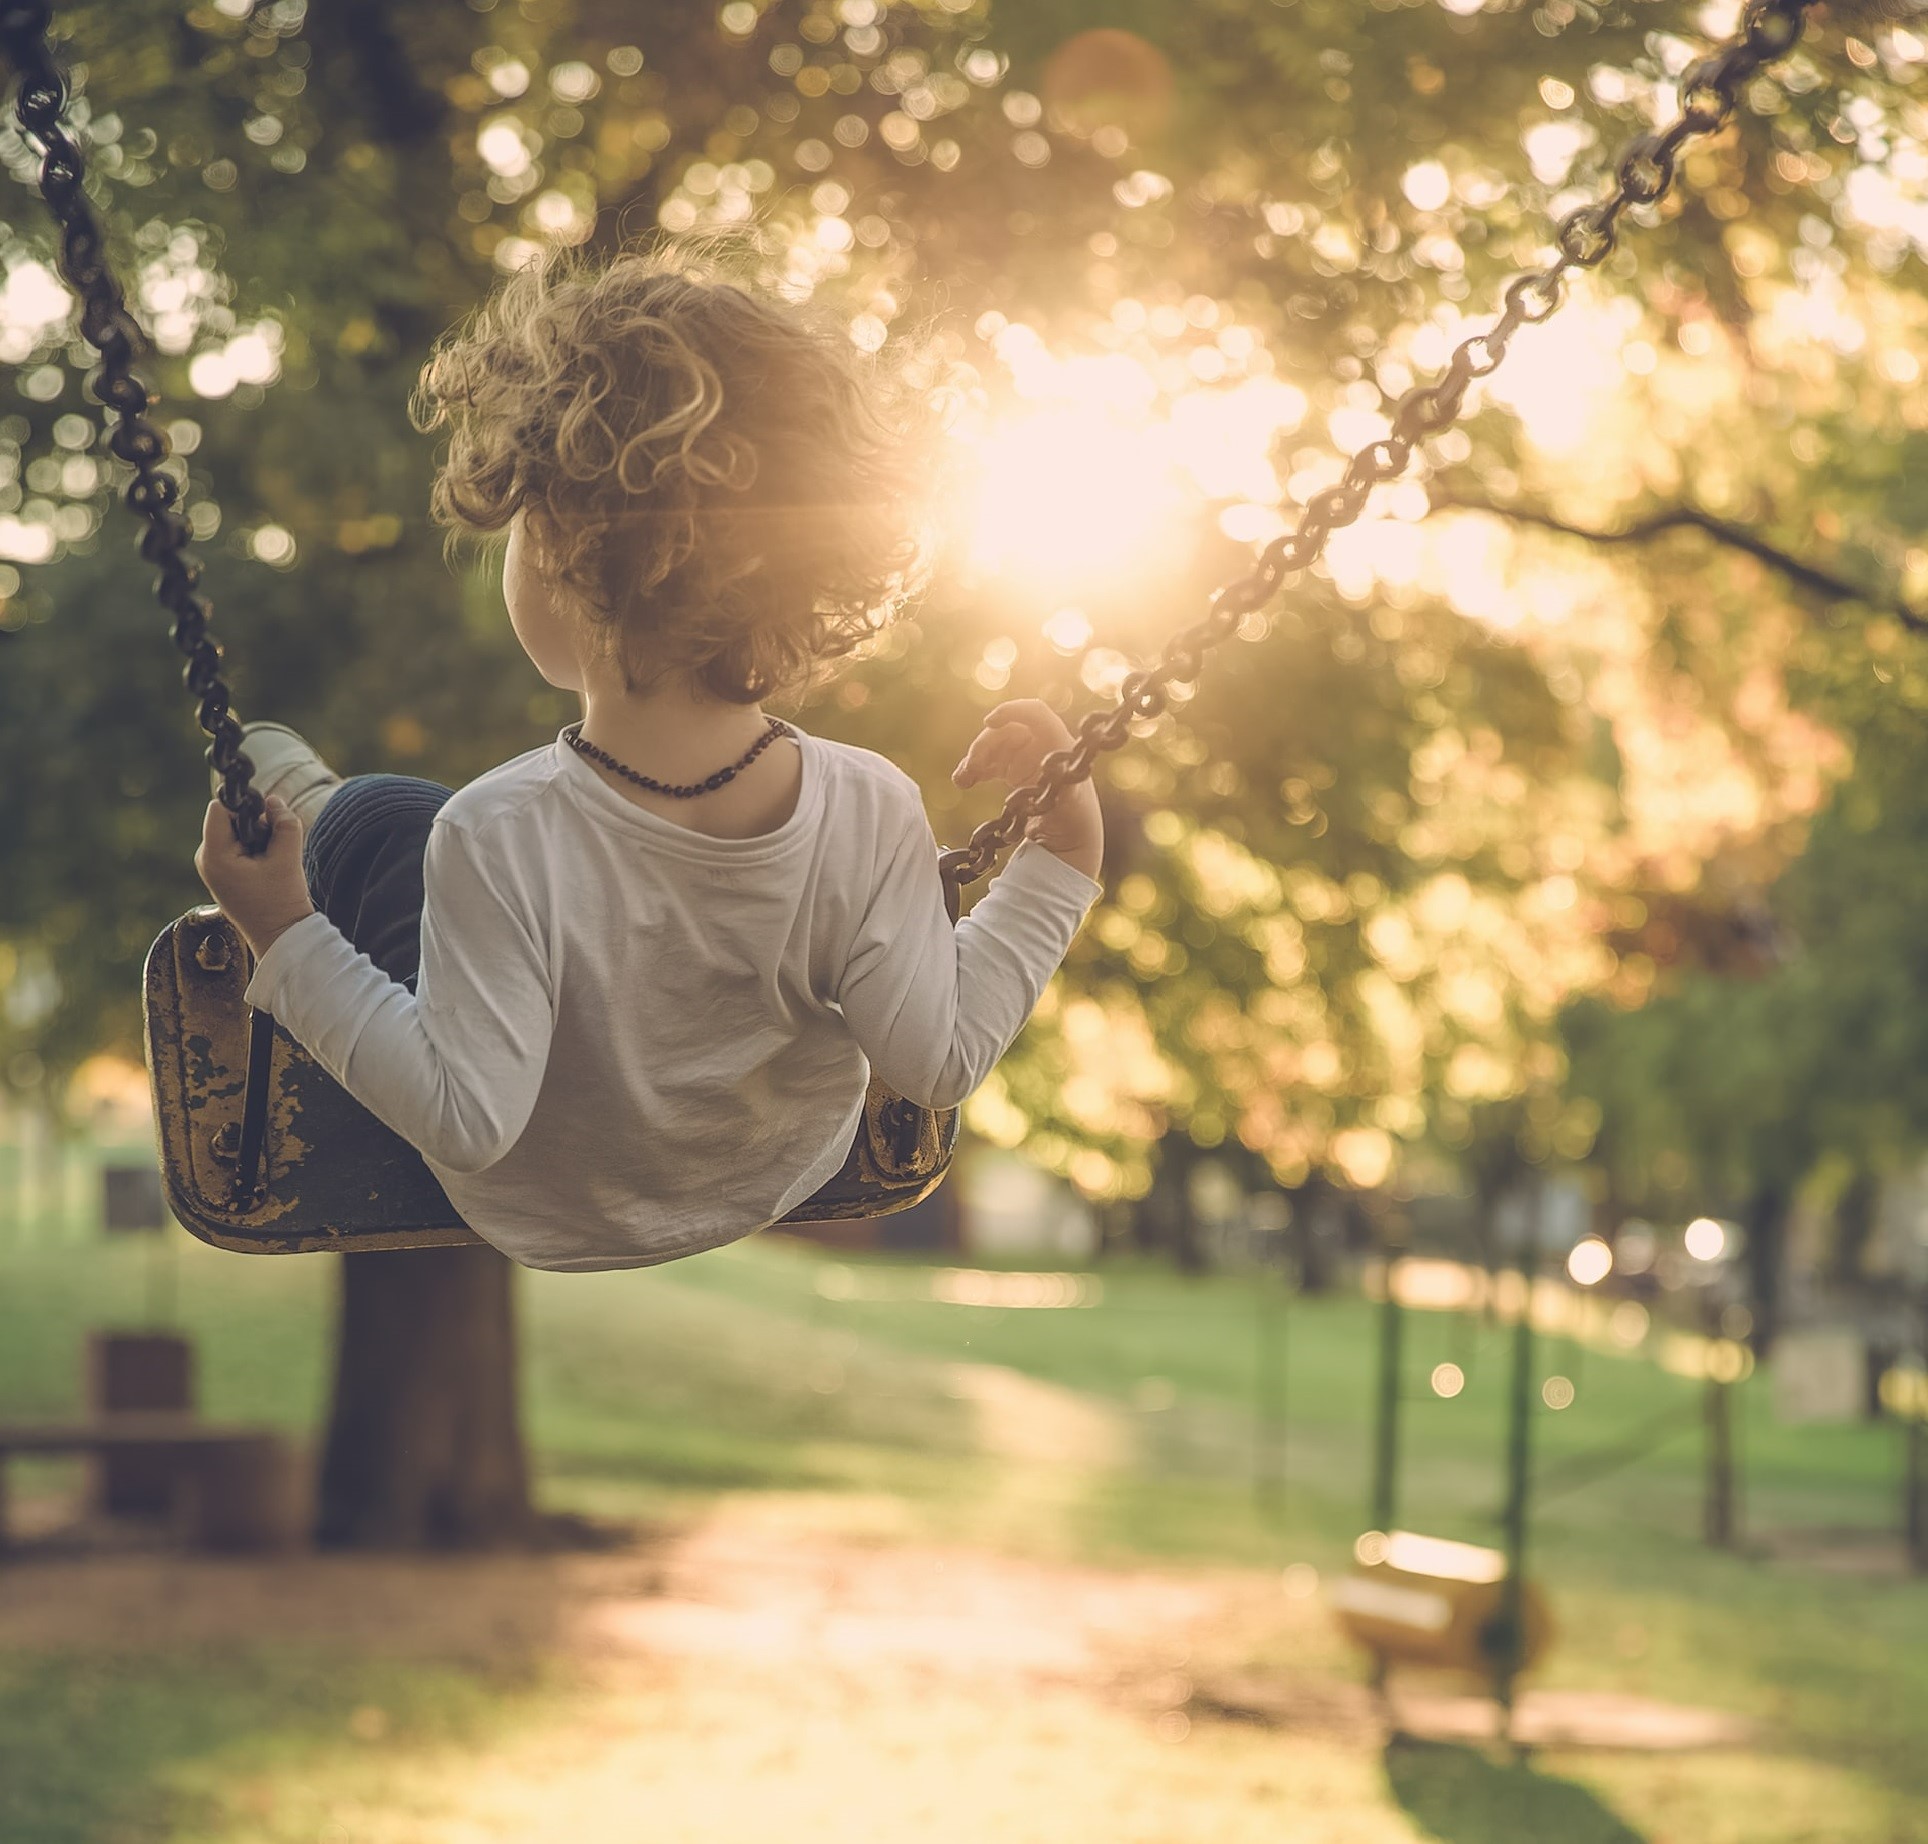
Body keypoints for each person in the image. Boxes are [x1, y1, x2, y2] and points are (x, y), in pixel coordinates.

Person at [193, 246, 1102, 1272]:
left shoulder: (492, 834)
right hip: (771, 1173)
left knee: (379, 820)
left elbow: (466, 1119)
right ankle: (317, 808)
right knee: (419, 831)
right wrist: (1057, 868)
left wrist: (281, 927)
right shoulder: (870, 806)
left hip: (543, 1202)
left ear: (570, 547)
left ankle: (314, 812)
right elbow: (935, 1060)